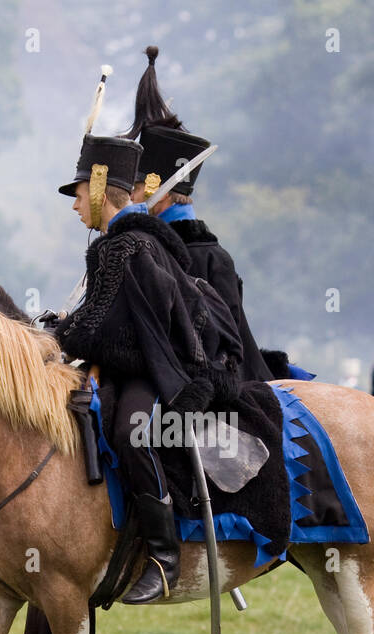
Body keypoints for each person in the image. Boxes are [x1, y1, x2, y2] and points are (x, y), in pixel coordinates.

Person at [55, 133, 239, 602]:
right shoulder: (119, 244)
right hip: (130, 366)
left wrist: (57, 336)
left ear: (97, 190)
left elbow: (102, 330)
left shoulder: (126, 247)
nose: (75, 206)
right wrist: (62, 326)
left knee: (132, 434)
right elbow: (101, 318)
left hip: (159, 372)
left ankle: (164, 557)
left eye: (77, 194)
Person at [123, 46, 287, 383]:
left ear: (160, 192)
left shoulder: (208, 258)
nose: (129, 197)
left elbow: (222, 349)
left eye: (136, 188)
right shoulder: (148, 248)